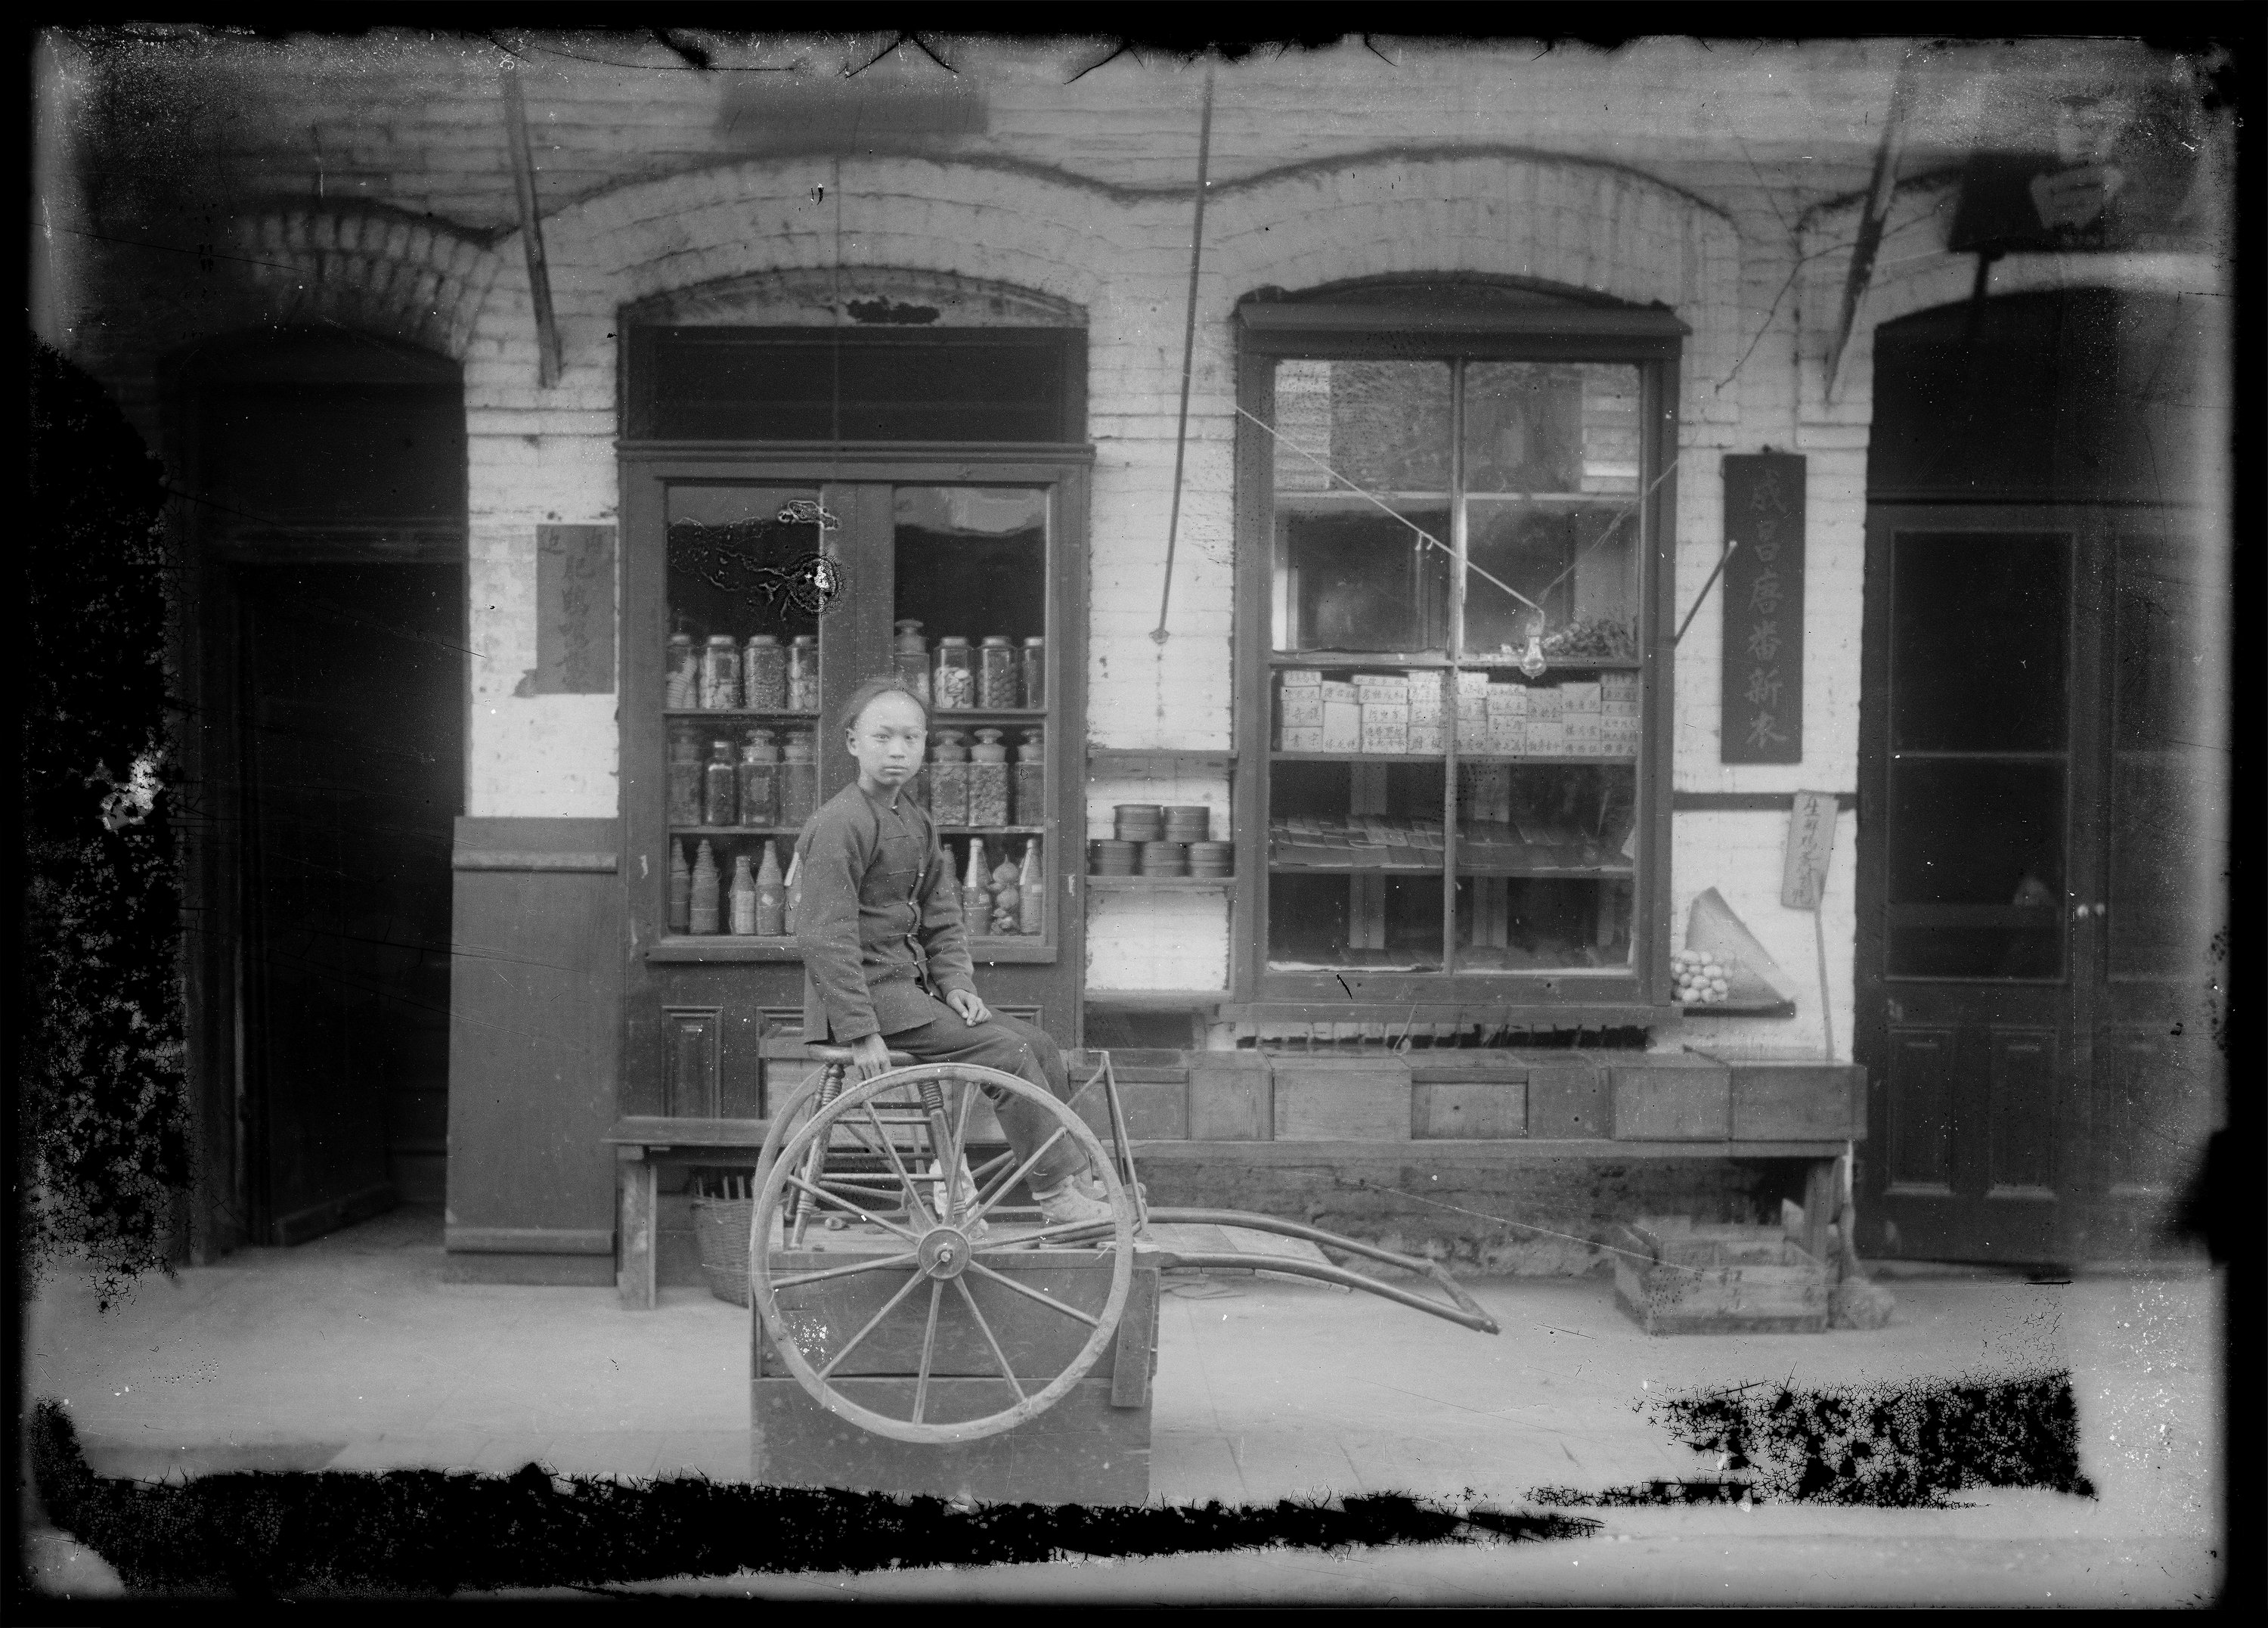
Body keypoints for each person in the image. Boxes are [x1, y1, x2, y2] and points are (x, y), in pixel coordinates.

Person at [791, 675, 1113, 1229]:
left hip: (909, 995)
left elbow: (942, 914)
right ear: (852, 742)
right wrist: (860, 1030)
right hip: (867, 1000)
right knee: (1007, 1053)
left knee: (1039, 1044)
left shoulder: (916, 820)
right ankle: (1056, 1196)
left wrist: (957, 984)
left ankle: (1077, 1176)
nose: (898, 750)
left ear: (924, 744)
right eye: (882, 737)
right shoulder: (840, 823)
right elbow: (825, 936)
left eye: (911, 738)